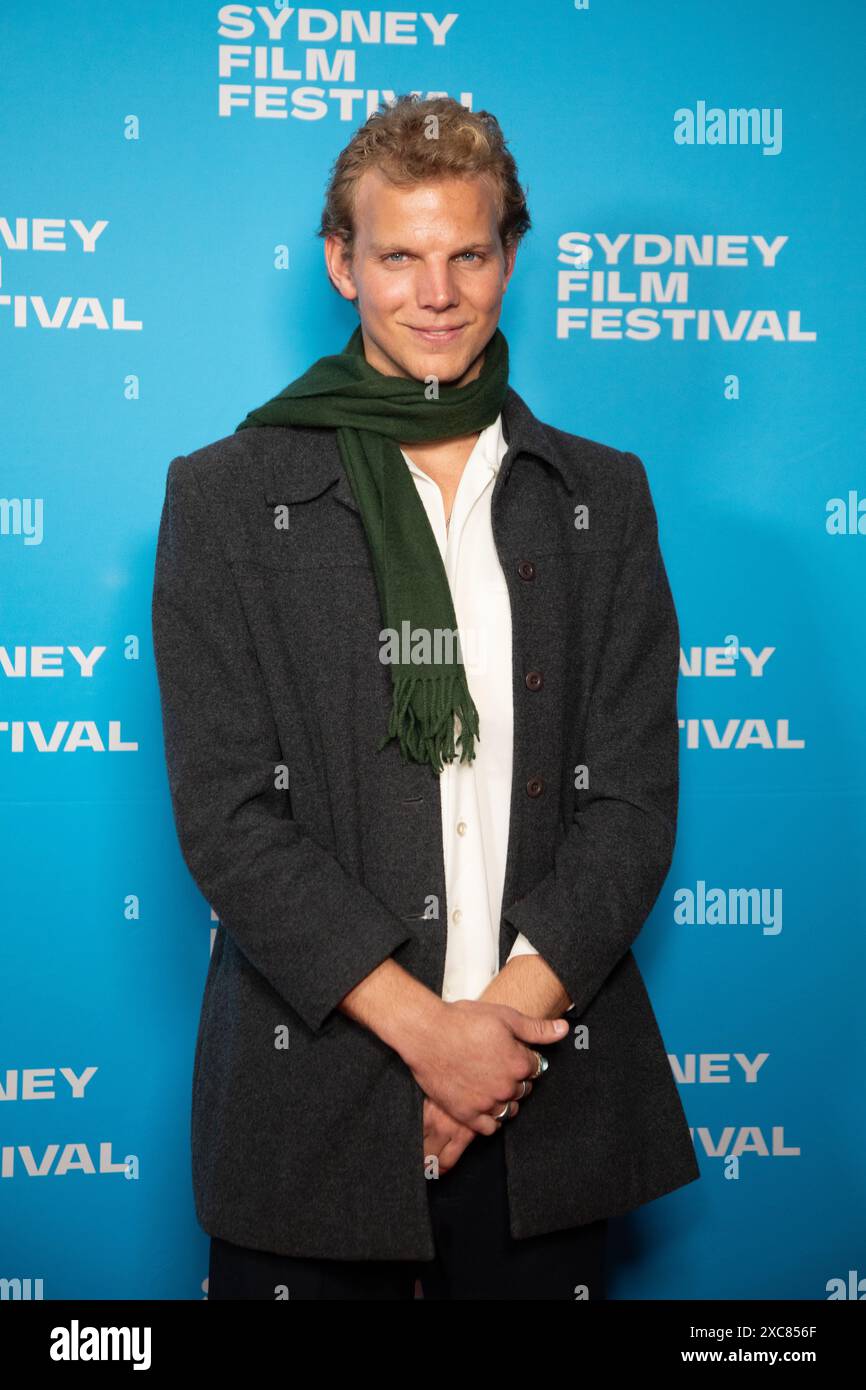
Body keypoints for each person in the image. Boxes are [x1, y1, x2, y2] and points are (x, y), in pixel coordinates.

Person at [151, 94, 700, 1301]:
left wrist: (489, 1043)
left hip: (541, 1104)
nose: (435, 292)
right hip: (313, 1111)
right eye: (398, 255)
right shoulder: (228, 497)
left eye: (467, 252)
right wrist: (427, 1036)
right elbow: (229, 817)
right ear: (343, 264)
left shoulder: (599, 495)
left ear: (509, 255)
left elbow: (632, 805)